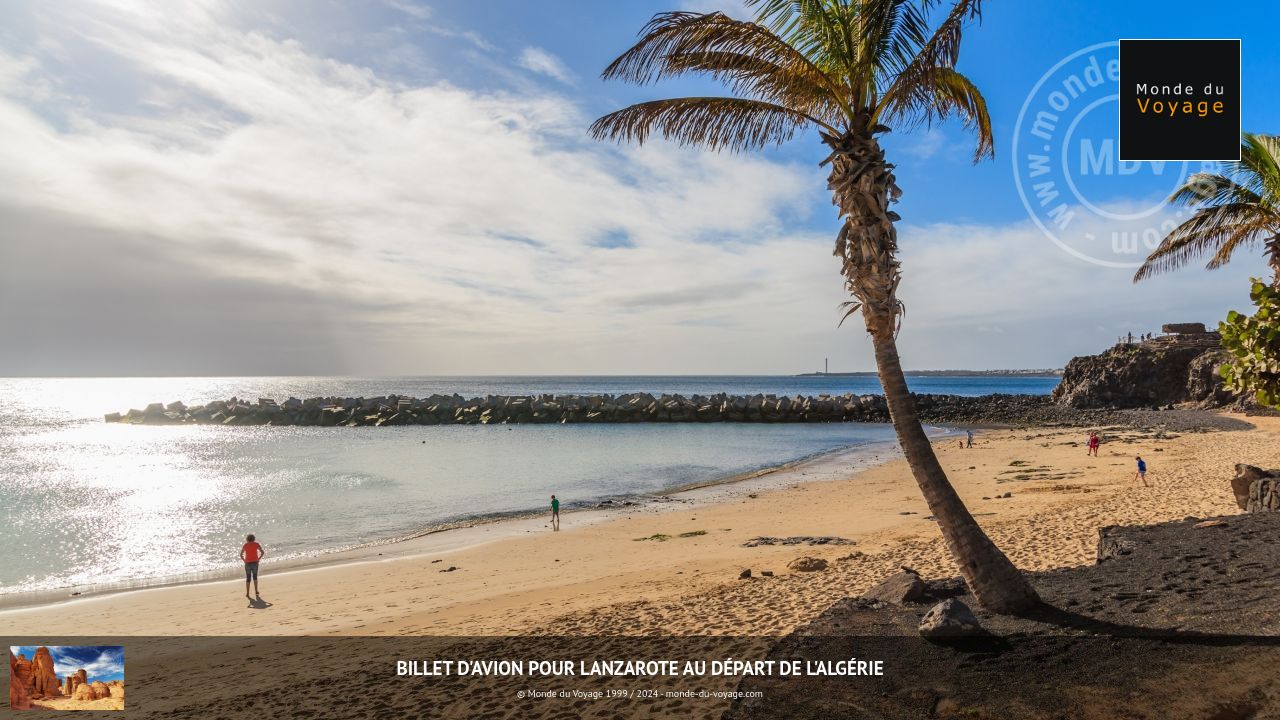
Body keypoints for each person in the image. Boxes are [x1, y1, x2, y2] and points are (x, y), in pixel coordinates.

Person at [240, 533, 265, 598]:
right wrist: (258, 559)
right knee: (255, 577)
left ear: (247, 539)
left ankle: (247, 593)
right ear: (253, 539)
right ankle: (256, 591)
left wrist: (244, 560)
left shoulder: (245, 545)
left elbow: (241, 554)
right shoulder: (256, 544)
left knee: (248, 578)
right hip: (255, 562)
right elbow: (262, 552)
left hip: (247, 563)